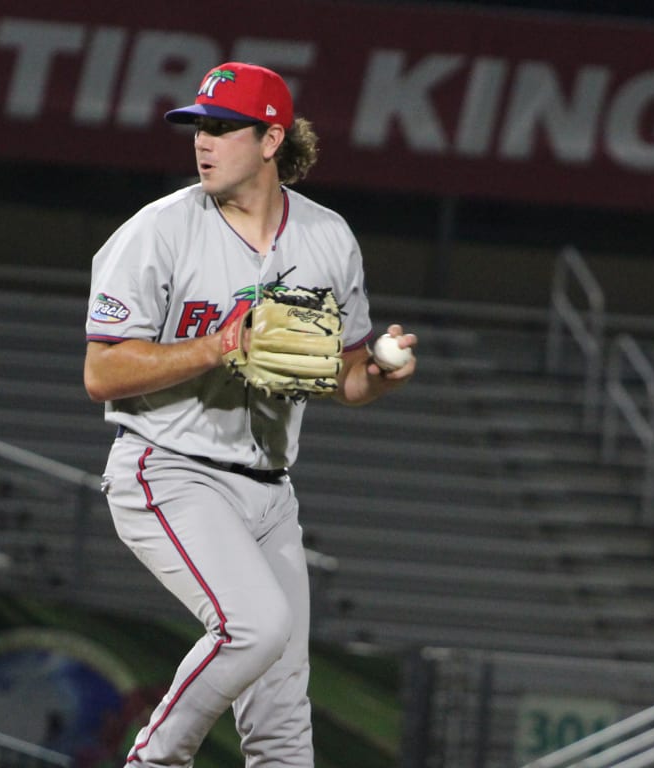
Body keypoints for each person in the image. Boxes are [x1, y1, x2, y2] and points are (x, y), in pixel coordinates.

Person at [83, 62, 417, 767]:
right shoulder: (158, 231)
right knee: (254, 628)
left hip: (270, 489)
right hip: (169, 467)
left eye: (223, 127)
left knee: (283, 715)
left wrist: (379, 376)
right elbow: (101, 372)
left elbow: (345, 377)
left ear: (271, 140)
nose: (202, 142)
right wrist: (215, 345)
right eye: (198, 127)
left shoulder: (327, 238)